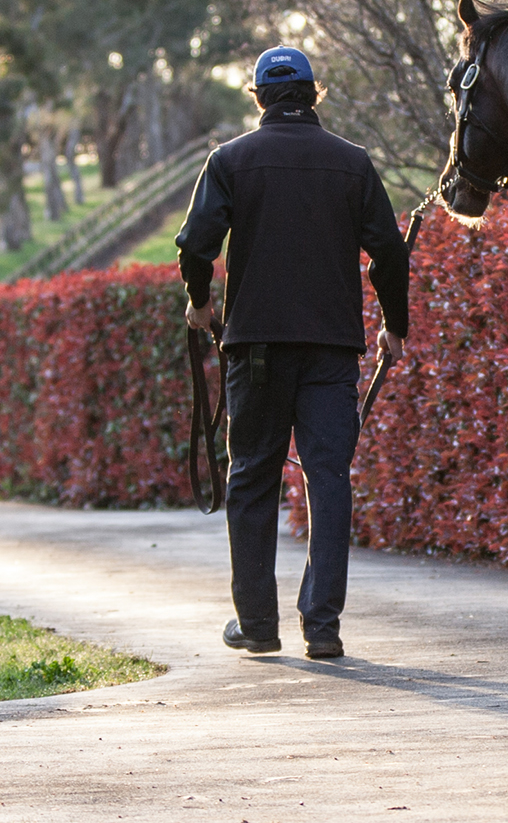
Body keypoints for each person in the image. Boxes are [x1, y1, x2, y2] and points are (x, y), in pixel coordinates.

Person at [175, 45, 409, 660]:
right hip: (331, 347)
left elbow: (196, 245)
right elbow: (389, 250)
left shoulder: (230, 161)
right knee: (328, 478)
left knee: (252, 476)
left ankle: (257, 624)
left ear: (258, 98)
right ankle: (323, 627)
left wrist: (201, 302)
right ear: (315, 94)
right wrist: (395, 324)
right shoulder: (353, 164)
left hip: (254, 344)